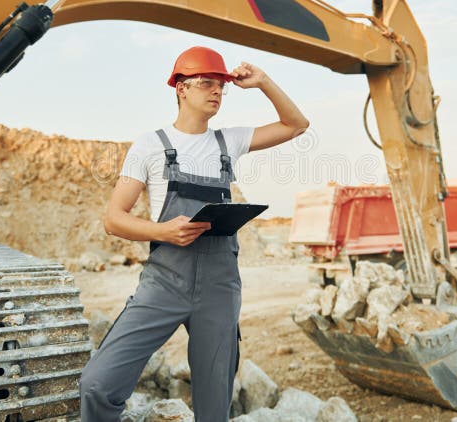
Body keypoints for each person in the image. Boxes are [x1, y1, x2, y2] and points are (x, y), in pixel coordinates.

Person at [80, 46, 309, 421]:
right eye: (206, 83)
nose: (216, 91)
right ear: (181, 88)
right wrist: (163, 231)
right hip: (164, 282)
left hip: (220, 287)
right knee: (97, 383)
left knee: (214, 405)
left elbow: (296, 125)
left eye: (221, 85)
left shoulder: (228, 142)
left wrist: (263, 81)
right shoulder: (150, 145)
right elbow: (113, 218)